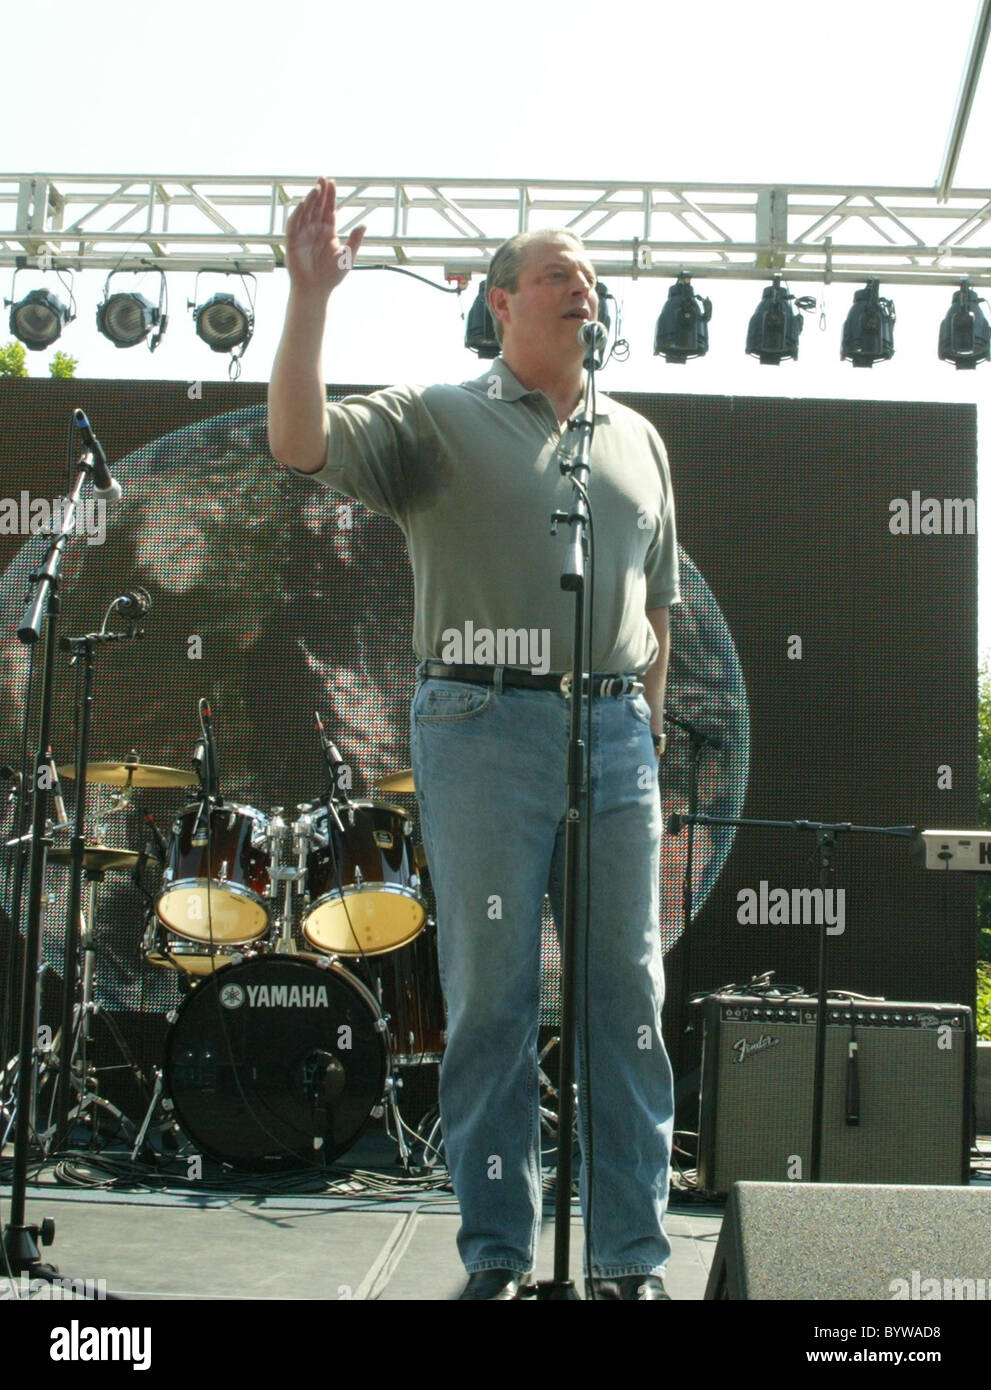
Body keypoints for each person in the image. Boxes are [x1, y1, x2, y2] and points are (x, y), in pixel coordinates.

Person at [268, 178, 680, 1301]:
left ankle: (629, 1261)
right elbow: (298, 440)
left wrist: (636, 710)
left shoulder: (639, 440)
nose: (579, 287)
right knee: (493, 999)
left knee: (625, 1001)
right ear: (499, 303)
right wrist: (309, 298)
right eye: (554, 272)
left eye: (589, 277)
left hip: (609, 731)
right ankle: (498, 1252)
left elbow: (660, 606)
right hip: (481, 720)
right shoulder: (434, 414)